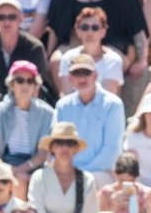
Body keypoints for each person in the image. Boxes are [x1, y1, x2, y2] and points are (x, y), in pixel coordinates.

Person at [0, 62, 55, 197]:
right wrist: (5, 169)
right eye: (20, 80)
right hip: (6, 163)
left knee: (21, 180)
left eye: (30, 81)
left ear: (35, 85)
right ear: (11, 85)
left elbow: (41, 156)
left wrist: (18, 170)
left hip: (35, 166)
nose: (25, 85)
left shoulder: (47, 113)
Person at [54, 50, 125, 185]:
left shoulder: (113, 105)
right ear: (69, 78)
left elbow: (112, 151)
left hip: (101, 173)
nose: (82, 79)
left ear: (95, 75)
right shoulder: (63, 106)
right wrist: (67, 171)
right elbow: (55, 145)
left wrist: (81, 174)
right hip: (67, 173)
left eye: (86, 73)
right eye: (76, 73)